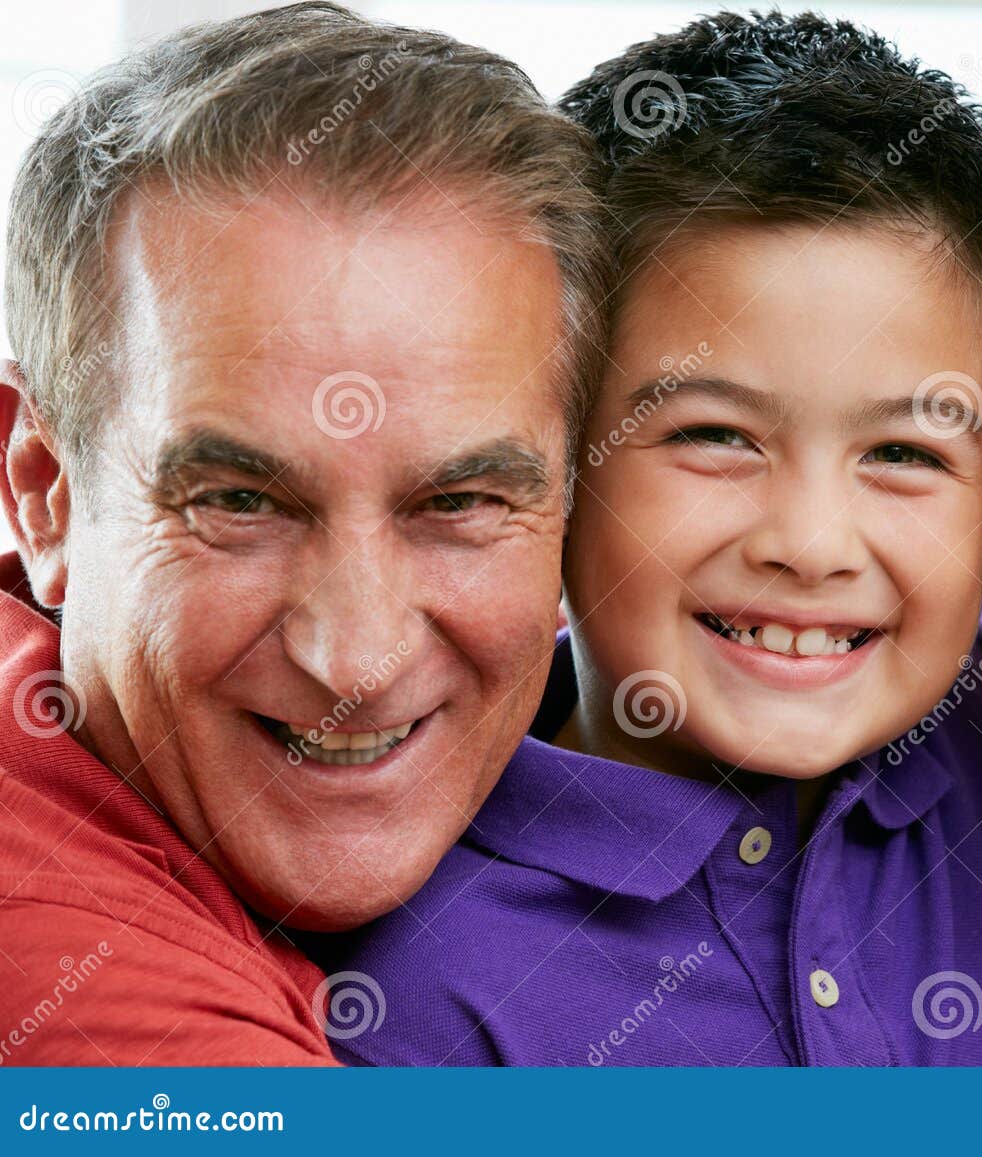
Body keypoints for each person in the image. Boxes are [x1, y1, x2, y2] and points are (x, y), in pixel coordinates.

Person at [321, 10, 982, 1067]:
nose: (811, 543)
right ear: (555, 460)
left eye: (903, 452)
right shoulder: (420, 985)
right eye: (714, 435)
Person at [0, 1, 608, 1064]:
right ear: (44, 490)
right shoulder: (84, 998)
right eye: (239, 502)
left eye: (459, 504)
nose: (358, 662)